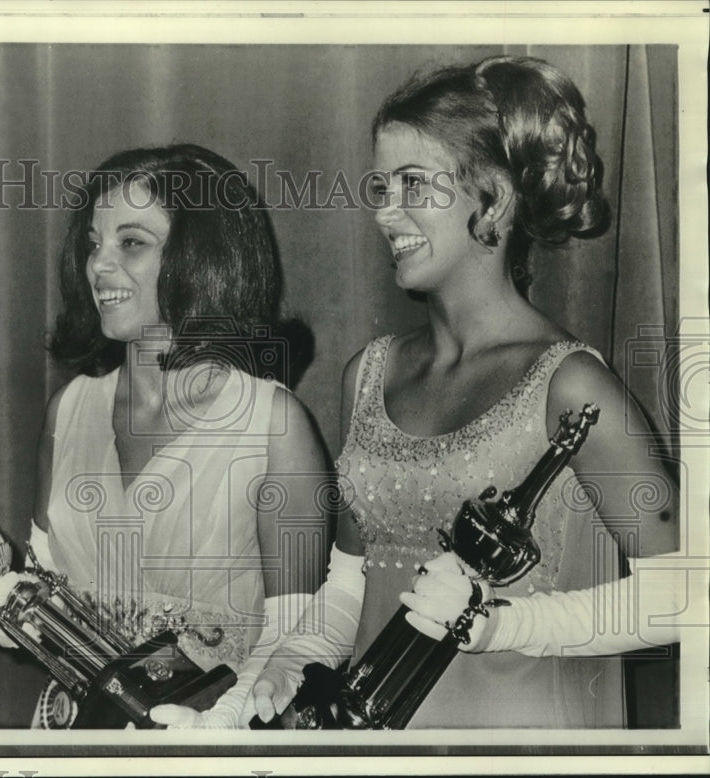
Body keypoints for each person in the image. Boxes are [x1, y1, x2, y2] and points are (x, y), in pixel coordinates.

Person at [251, 56, 680, 729]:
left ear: (495, 201)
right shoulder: (367, 374)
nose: (385, 214)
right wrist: (282, 669)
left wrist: (496, 625)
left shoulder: (571, 385)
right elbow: (348, 583)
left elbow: (681, 597)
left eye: (414, 185)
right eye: (379, 186)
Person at [0, 144, 331, 728]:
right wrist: (10, 609)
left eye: (131, 243)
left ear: (201, 260)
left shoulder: (274, 425)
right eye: (94, 243)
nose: (98, 266)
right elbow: (46, 592)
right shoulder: (68, 410)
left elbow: (299, 642)